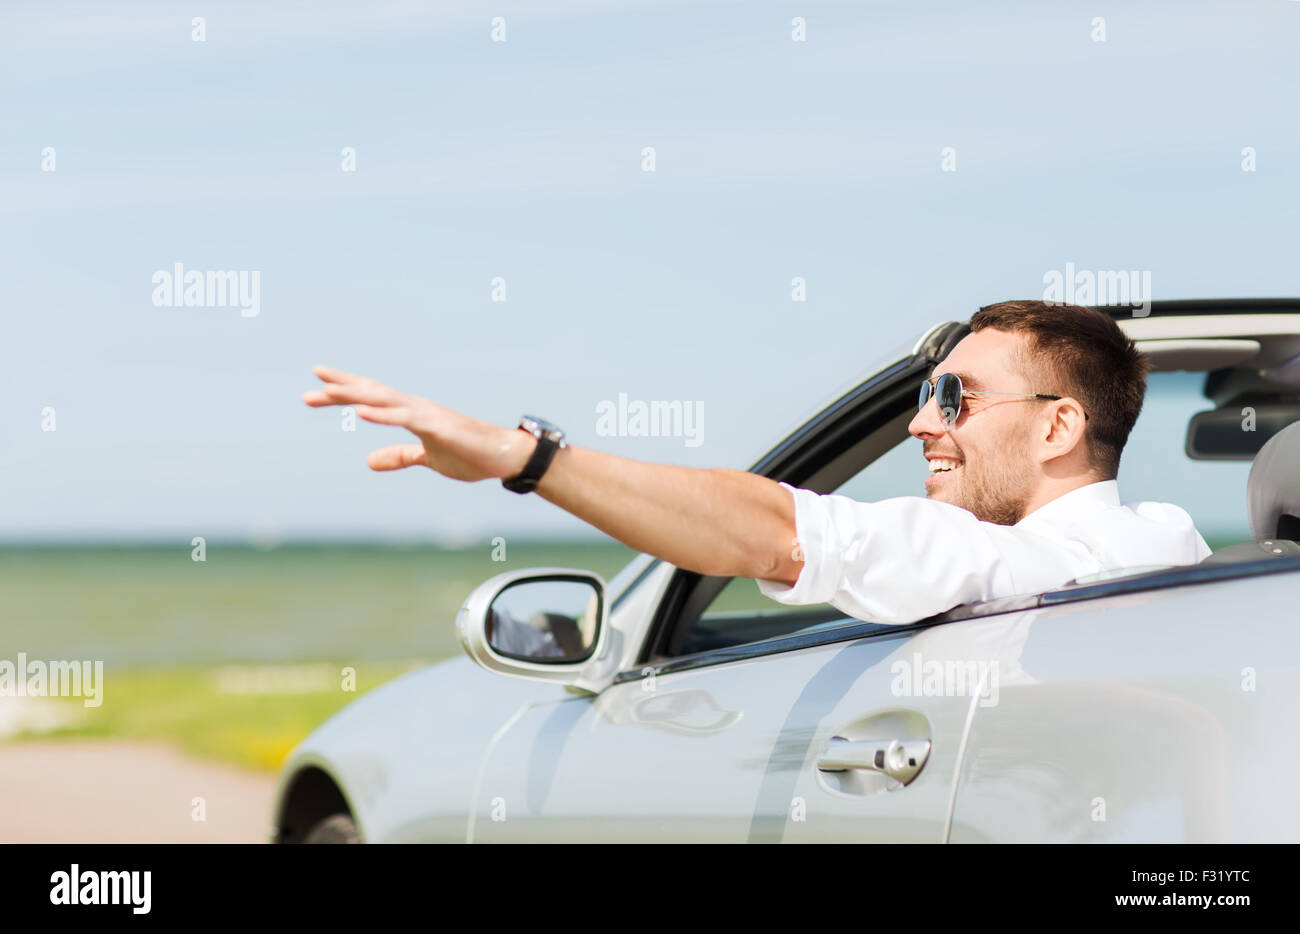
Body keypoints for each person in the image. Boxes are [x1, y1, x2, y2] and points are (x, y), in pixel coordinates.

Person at [301, 301, 1210, 625]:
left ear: (1057, 429)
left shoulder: (1002, 561)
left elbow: (774, 532)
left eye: (954, 399)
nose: (916, 428)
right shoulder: (1178, 551)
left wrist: (524, 456)